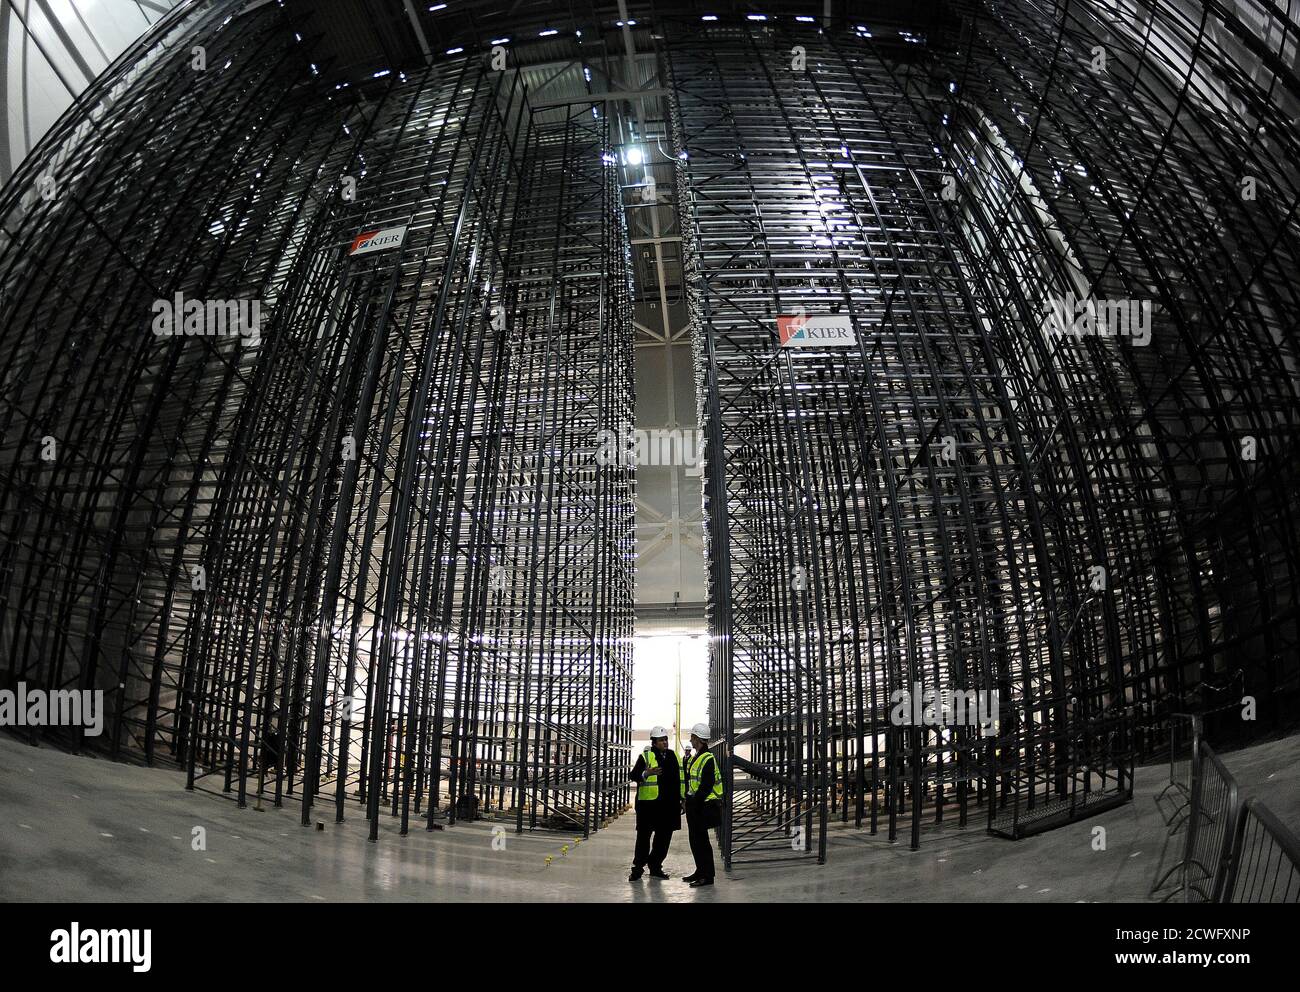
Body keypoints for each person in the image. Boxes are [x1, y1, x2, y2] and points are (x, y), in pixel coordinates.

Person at [627, 726, 681, 881]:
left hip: (668, 806)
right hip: (648, 807)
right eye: (661, 740)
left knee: (663, 839)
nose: (665, 742)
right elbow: (633, 775)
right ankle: (637, 869)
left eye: (666, 739)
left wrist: (681, 800)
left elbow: (680, 780)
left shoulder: (673, 756)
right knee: (643, 838)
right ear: (654, 742)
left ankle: (655, 867)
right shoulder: (645, 756)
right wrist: (646, 773)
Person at [682, 722, 723, 887]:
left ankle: (707, 876)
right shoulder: (696, 757)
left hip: (703, 806)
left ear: (697, 738)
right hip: (696, 805)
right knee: (696, 841)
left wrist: (692, 803)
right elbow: (692, 783)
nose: (690, 740)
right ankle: (700, 871)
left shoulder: (707, 758)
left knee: (702, 843)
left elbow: (706, 787)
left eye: (692, 737)